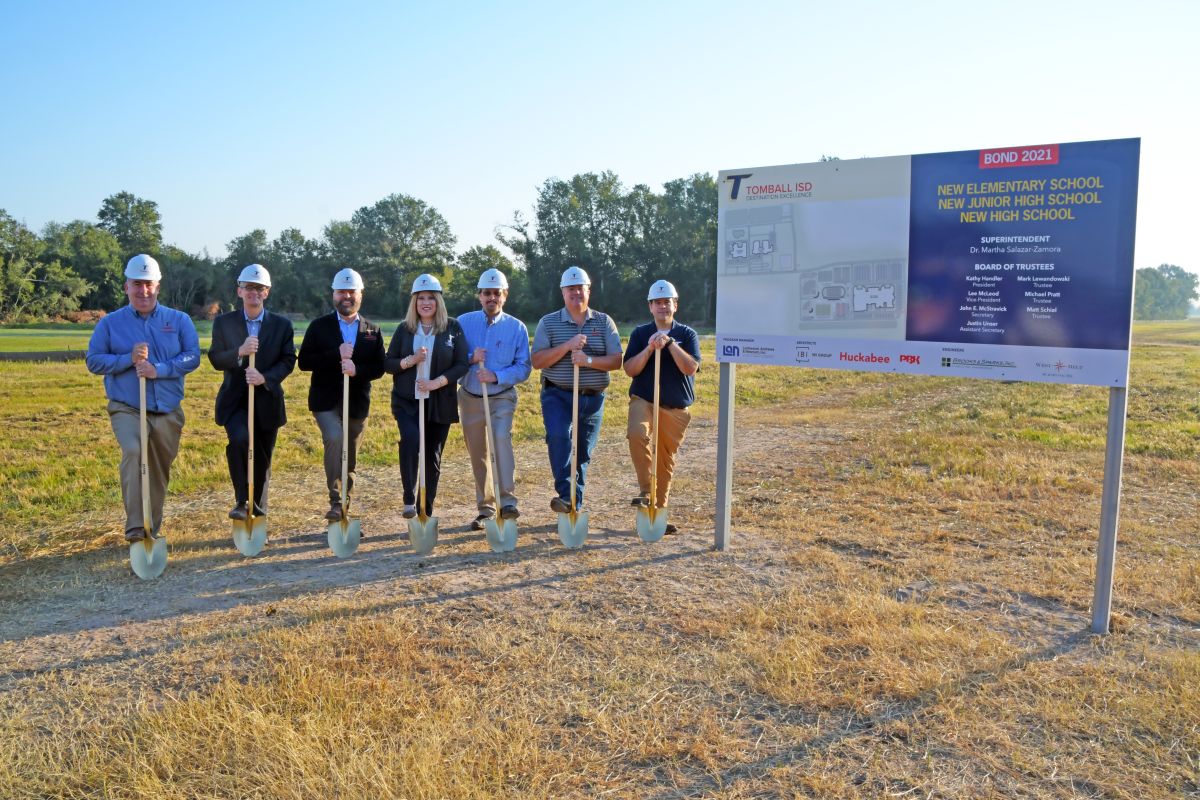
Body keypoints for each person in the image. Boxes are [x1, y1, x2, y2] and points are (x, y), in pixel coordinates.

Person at [85, 254, 201, 542]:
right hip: (128, 407)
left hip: (167, 409)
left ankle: (152, 528)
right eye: (137, 284)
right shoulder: (110, 324)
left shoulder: (179, 320)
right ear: (126, 287)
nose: (143, 291)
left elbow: (192, 357)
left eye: (148, 284)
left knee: (159, 471)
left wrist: (157, 370)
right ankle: (136, 526)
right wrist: (127, 359)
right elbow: (94, 361)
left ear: (158, 286)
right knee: (135, 452)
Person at [207, 264, 296, 520]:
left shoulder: (282, 325)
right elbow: (215, 358)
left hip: (267, 401)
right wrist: (239, 352)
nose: (253, 293)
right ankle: (241, 500)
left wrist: (265, 378)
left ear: (266, 292)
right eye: (249, 288)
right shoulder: (224, 323)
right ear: (239, 291)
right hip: (235, 401)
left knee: (263, 459)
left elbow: (289, 360)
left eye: (259, 288)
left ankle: (258, 511)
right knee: (240, 440)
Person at [531, 266, 622, 512]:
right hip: (557, 395)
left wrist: (588, 361)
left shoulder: (604, 322)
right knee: (559, 438)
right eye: (571, 289)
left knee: (582, 453)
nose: (576, 294)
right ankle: (565, 493)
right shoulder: (548, 323)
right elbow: (537, 361)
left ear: (588, 291)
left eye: (580, 288)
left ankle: (572, 504)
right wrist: (567, 346)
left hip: (592, 399)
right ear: (563, 292)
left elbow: (617, 361)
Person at [298, 268, 386, 521]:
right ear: (333, 295)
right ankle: (335, 500)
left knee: (350, 455)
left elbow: (380, 367)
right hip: (325, 401)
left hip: (357, 403)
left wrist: (357, 369)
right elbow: (304, 362)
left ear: (360, 295)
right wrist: (335, 355)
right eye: (341, 292)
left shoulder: (372, 330)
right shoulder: (319, 326)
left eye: (351, 291)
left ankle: (344, 502)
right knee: (335, 439)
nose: (346, 296)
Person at [384, 274, 469, 519]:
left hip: (439, 402)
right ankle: (409, 498)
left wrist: (436, 383)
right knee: (411, 439)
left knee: (432, 455)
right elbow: (388, 363)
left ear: (438, 300)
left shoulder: (452, 327)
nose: (426, 302)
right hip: (407, 401)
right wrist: (411, 360)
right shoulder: (404, 329)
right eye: (421, 298)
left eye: (431, 297)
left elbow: (462, 364)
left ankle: (426, 509)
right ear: (414, 301)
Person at [622, 280, 701, 535]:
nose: (662, 306)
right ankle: (646, 490)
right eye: (658, 302)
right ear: (650, 307)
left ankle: (658, 514)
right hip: (644, 399)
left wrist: (669, 344)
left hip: (676, 407)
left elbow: (691, 368)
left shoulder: (687, 334)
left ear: (675, 305)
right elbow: (630, 369)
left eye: (667, 302)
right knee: (637, 433)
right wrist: (649, 347)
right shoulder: (639, 333)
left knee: (664, 461)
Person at [457, 268, 531, 529]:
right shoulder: (462, 323)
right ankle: (486, 508)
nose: (491, 298)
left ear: (505, 295)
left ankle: (508, 502)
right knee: (478, 453)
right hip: (469, 397)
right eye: (486, 293)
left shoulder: (517, 328)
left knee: (501, 441)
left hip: (502, 397)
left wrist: (497, 375)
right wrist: (470, 359)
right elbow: (451, 359)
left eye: (496, 293)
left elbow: (524, 367)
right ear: (479, 296)